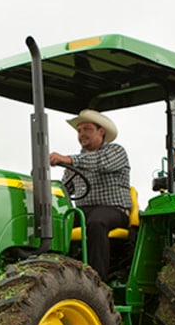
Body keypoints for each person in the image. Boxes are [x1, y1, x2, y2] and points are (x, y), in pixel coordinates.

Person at [49, 109, 132, 281]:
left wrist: (66, 160)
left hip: (114, 210)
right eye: (79, 131)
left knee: (97, 221)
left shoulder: (116, 152)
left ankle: (96, 280)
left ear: (101, 131)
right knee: (54, 222)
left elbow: (101, 163)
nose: (81, 135)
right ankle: (53, 273)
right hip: (84, 210)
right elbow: (65, 190)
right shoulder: (76, 161)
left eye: (87, 129)